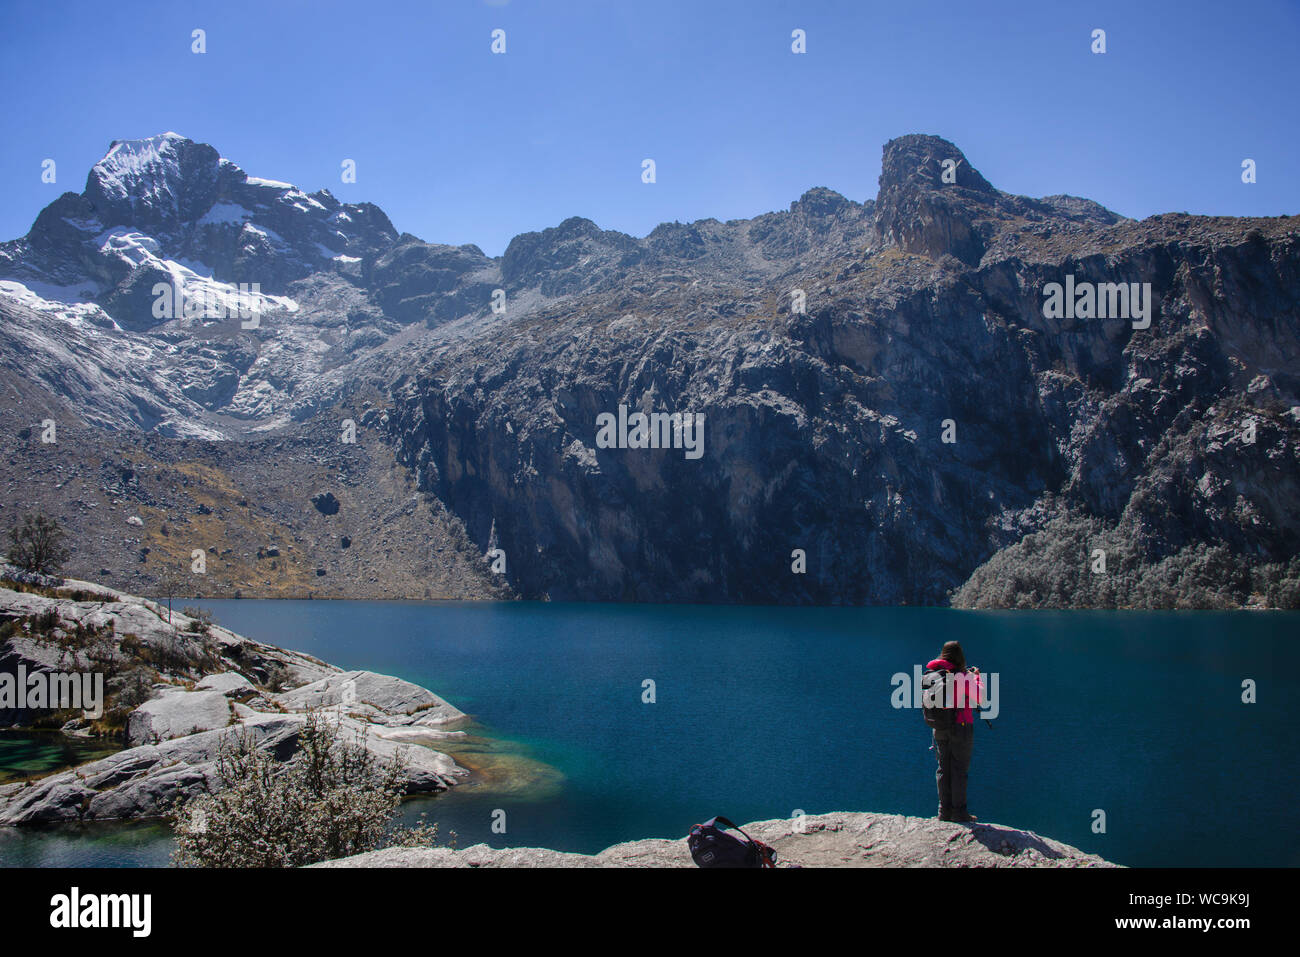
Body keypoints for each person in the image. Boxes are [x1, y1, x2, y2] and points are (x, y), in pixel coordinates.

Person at [926, 640, 981, 823]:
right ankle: (959, 812)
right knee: (959, 770)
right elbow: (980, 698)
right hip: (961, 727)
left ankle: (943, 812)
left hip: (939, 728)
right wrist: (976, 678)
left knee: (943, 769)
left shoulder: (932, 674)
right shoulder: (962, 676)